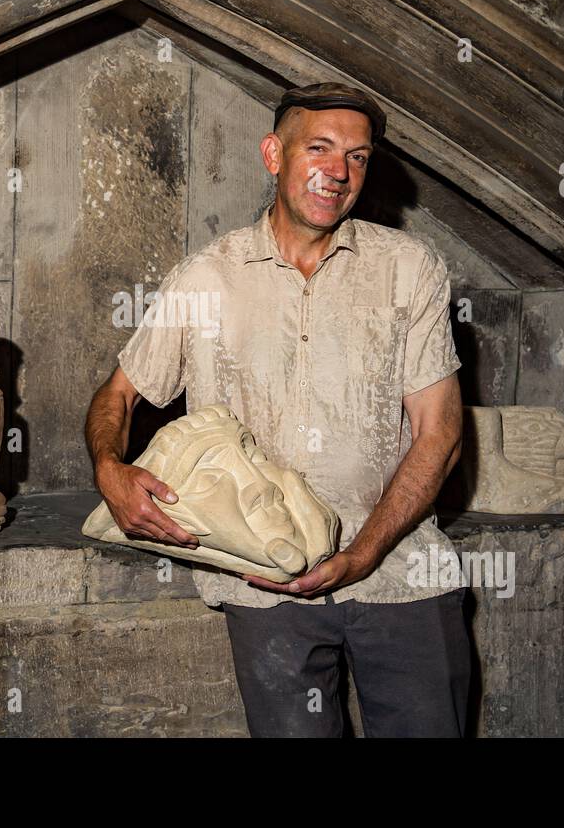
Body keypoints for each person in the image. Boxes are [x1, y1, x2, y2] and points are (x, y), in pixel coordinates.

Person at [84, 82, 470, 737]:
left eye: (358, 156)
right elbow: (117, 396)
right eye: (319, 149)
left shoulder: (409, 268)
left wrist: (364, 551)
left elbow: (442, 434)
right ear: (274, 154)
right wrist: (109, 470)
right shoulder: (208, 277)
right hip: (266, 582)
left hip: (402, 576)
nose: (339, 172)